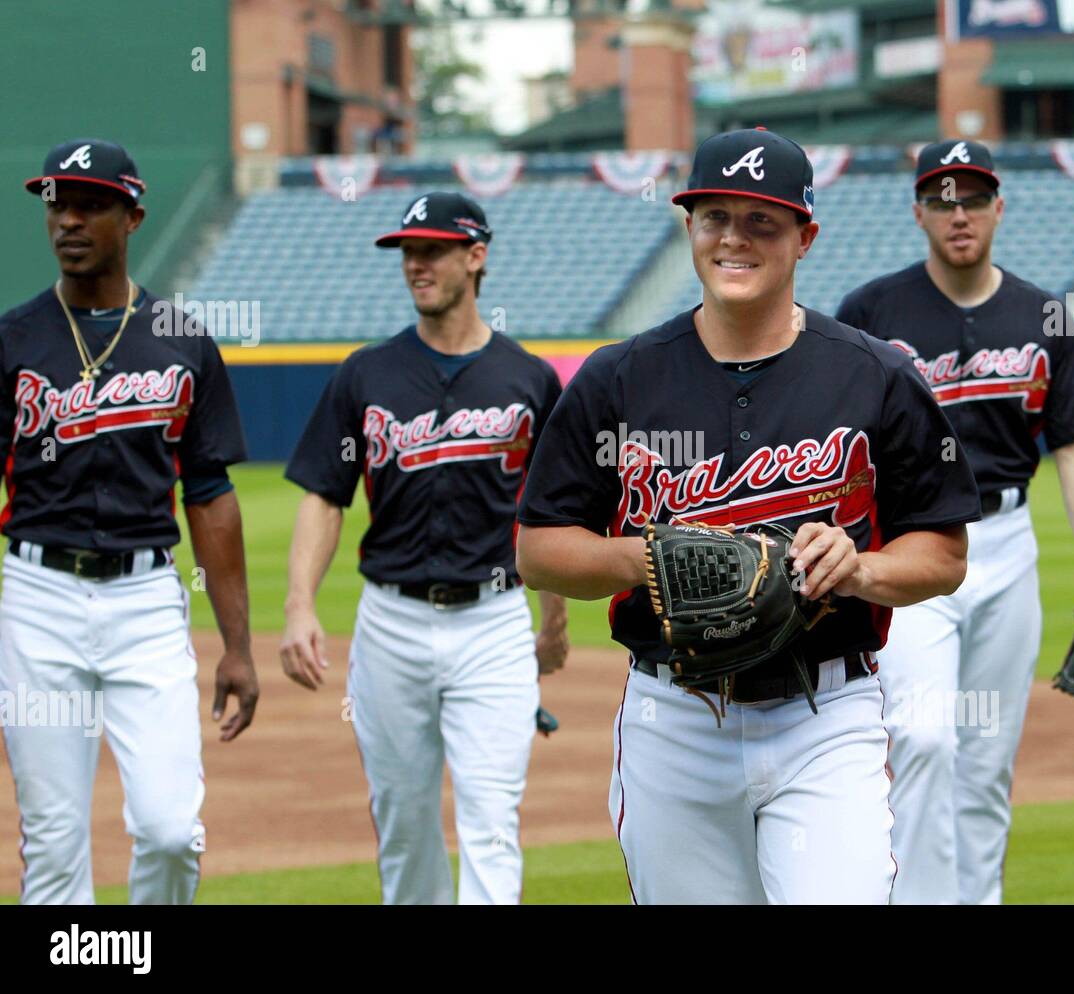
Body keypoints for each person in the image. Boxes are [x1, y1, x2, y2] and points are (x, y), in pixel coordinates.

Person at [515, 128, 981, 905]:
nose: (734, 237)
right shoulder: (618, 379)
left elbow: (944, 553)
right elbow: (539, 549)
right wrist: (652, 558)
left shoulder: (875, 376)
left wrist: (859, 567)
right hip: (675, 716)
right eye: (714, 216)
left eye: (761, 220)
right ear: (689, 227)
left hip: (825, 713)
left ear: (805, 237)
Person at [835, 139, 1074, 905]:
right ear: (919, 212)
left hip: (1007, 547)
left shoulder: (1043, 314)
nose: (958, 213)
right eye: (941, 198)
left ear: (999, 206)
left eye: (972, 198)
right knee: (924, 739)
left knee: (987, 761)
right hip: (913, 546)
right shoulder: (871, 312)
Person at [280, 191, 568, 905]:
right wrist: (297, 606)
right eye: (409, 251)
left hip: (494, 622)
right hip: (391, 622)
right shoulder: (365, 374)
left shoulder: (527, 379)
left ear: (476, 257)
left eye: (433, 250)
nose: (416, 264)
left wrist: (554, 616)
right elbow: (324, 493)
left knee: (491, 822)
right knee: (404, 825)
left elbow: (554, 512)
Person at [0, 138, 258, 905]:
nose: (68, 220)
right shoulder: (13, 338)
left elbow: (209, 494)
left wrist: (238, 647)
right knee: (53, 844)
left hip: (146, 602)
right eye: (57, 203)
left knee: (172, 830)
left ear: (133, 217)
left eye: (91, 204)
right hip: (36, 596)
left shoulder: (181, 339)